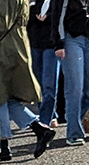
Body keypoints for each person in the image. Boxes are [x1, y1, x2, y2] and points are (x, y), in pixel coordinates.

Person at [0, 0, 55, 161]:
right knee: (6, 98)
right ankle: (39, 129)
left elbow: (2, 22)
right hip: (8, 47)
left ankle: (3, 146)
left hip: (3, 51)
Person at [50, 0, 89, 146]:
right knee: (75, 88)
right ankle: (74, 133)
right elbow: (57, 15)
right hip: (71, 39)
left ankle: (74, 119)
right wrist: (58, 43)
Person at [28, 0, 60, 129]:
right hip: (35, 43)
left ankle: (45, 119)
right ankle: (51, 114)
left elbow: (60, 17)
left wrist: (47, 18)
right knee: (38, 83)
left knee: (49, 84)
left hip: (51, 44)